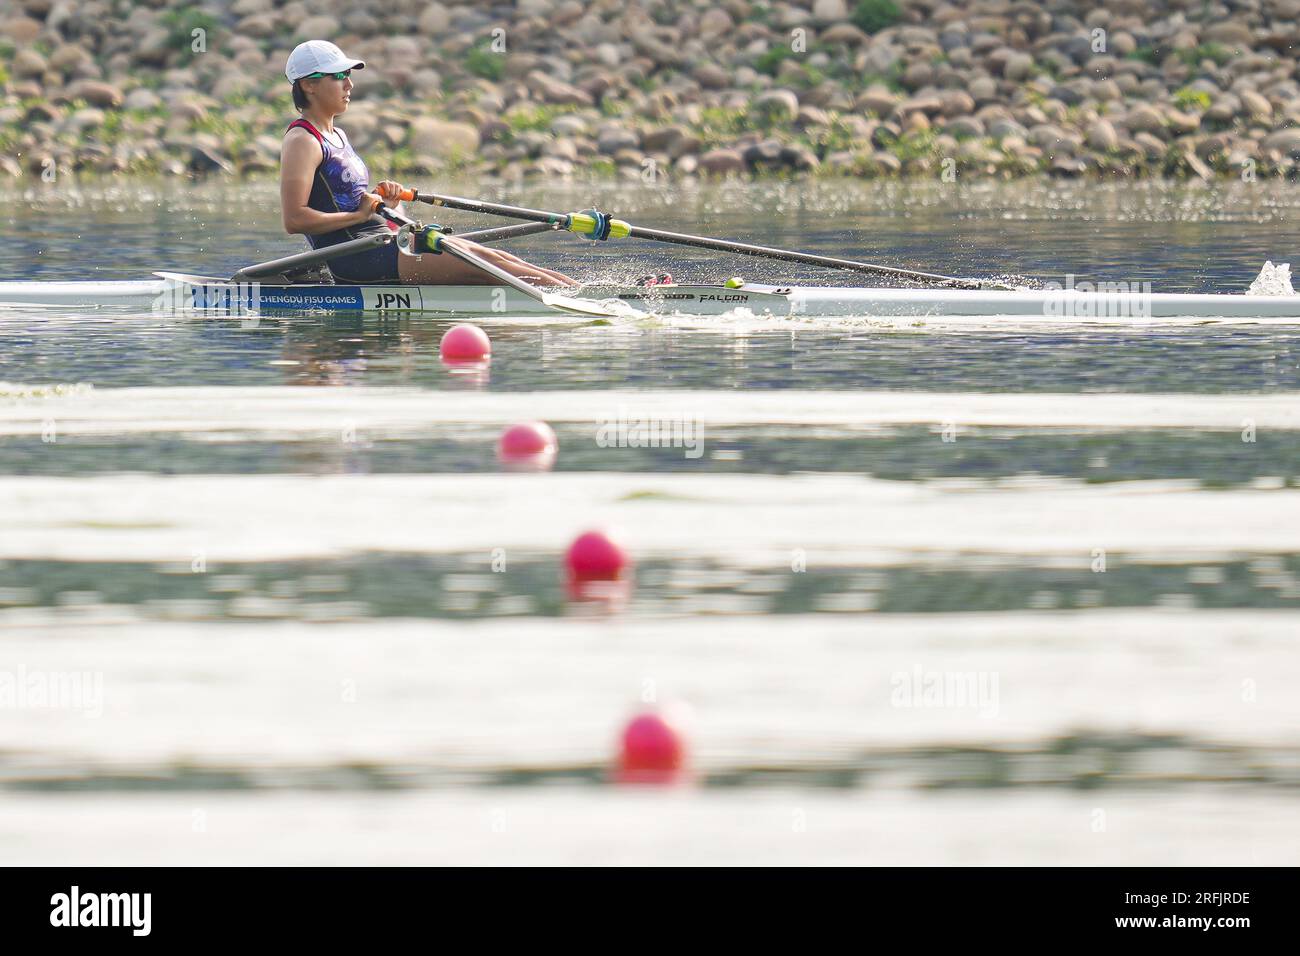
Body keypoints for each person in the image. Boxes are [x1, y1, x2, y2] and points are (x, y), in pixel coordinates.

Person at [279, 40, 574, 287]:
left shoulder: (338, 134)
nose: (350, 83)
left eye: (348, 75)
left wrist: (389, 202)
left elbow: (350, 203)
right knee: (483, 264)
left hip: (385, 243)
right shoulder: (302, 140)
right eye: (339, 76)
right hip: (357, 259)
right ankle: (576, 299)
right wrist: (359, 216)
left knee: (498, 258)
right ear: (309, 85)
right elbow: (295, 220)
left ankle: (578, 291)